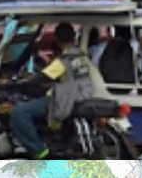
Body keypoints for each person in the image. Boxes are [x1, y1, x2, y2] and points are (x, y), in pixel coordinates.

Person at [7, 22, 96, 159]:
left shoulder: (63, 61)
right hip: (82, 94)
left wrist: (19, 83)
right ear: (73, 38)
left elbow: (41, 78)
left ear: (57, 40)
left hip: (66, 99)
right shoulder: (80, 55)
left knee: (19, 112)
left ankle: (40, 151)